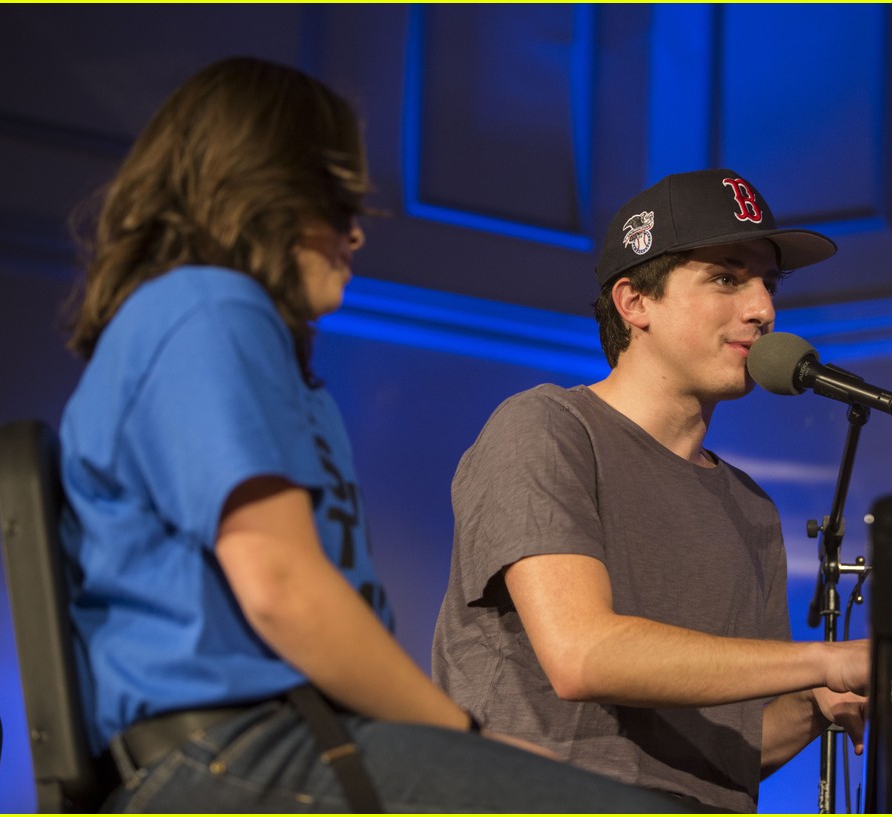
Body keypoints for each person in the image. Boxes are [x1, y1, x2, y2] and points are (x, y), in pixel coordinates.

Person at [58, 56, 690, 813]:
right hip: (233, 754)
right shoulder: (211, 308)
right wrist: (464, 734)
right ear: (267, 192)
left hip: (287, 742)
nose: (355, 233)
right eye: (336, 200)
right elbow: (282, 588)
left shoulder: (232, 333)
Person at [432, 169, 870, 813]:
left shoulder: (750, 506)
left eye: (768, 284)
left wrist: (818, 705)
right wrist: (823, 660)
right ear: (634, 302)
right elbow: (582, 654)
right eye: (726, 277)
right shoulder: (547, 427)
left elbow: (731, 751)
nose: (764, 310)